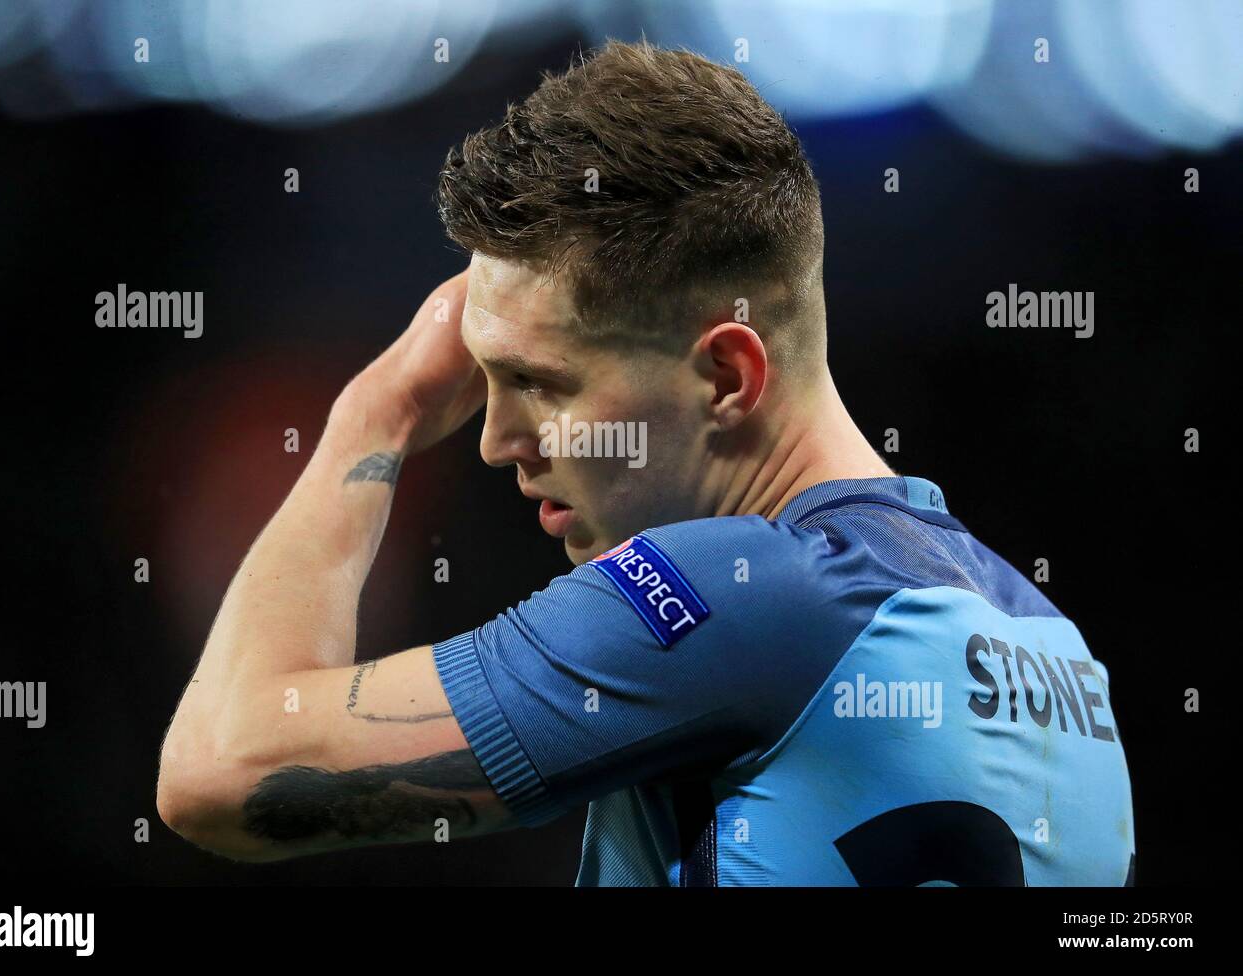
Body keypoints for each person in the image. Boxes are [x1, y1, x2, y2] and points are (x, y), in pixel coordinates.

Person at [157, 40, 1134, 885]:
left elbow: (219, 768)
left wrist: (377, 412)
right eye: (483, 379)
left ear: (726, 374)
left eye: (541, 381)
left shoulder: (736, 597)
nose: (497, 439)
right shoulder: (1058, 652)